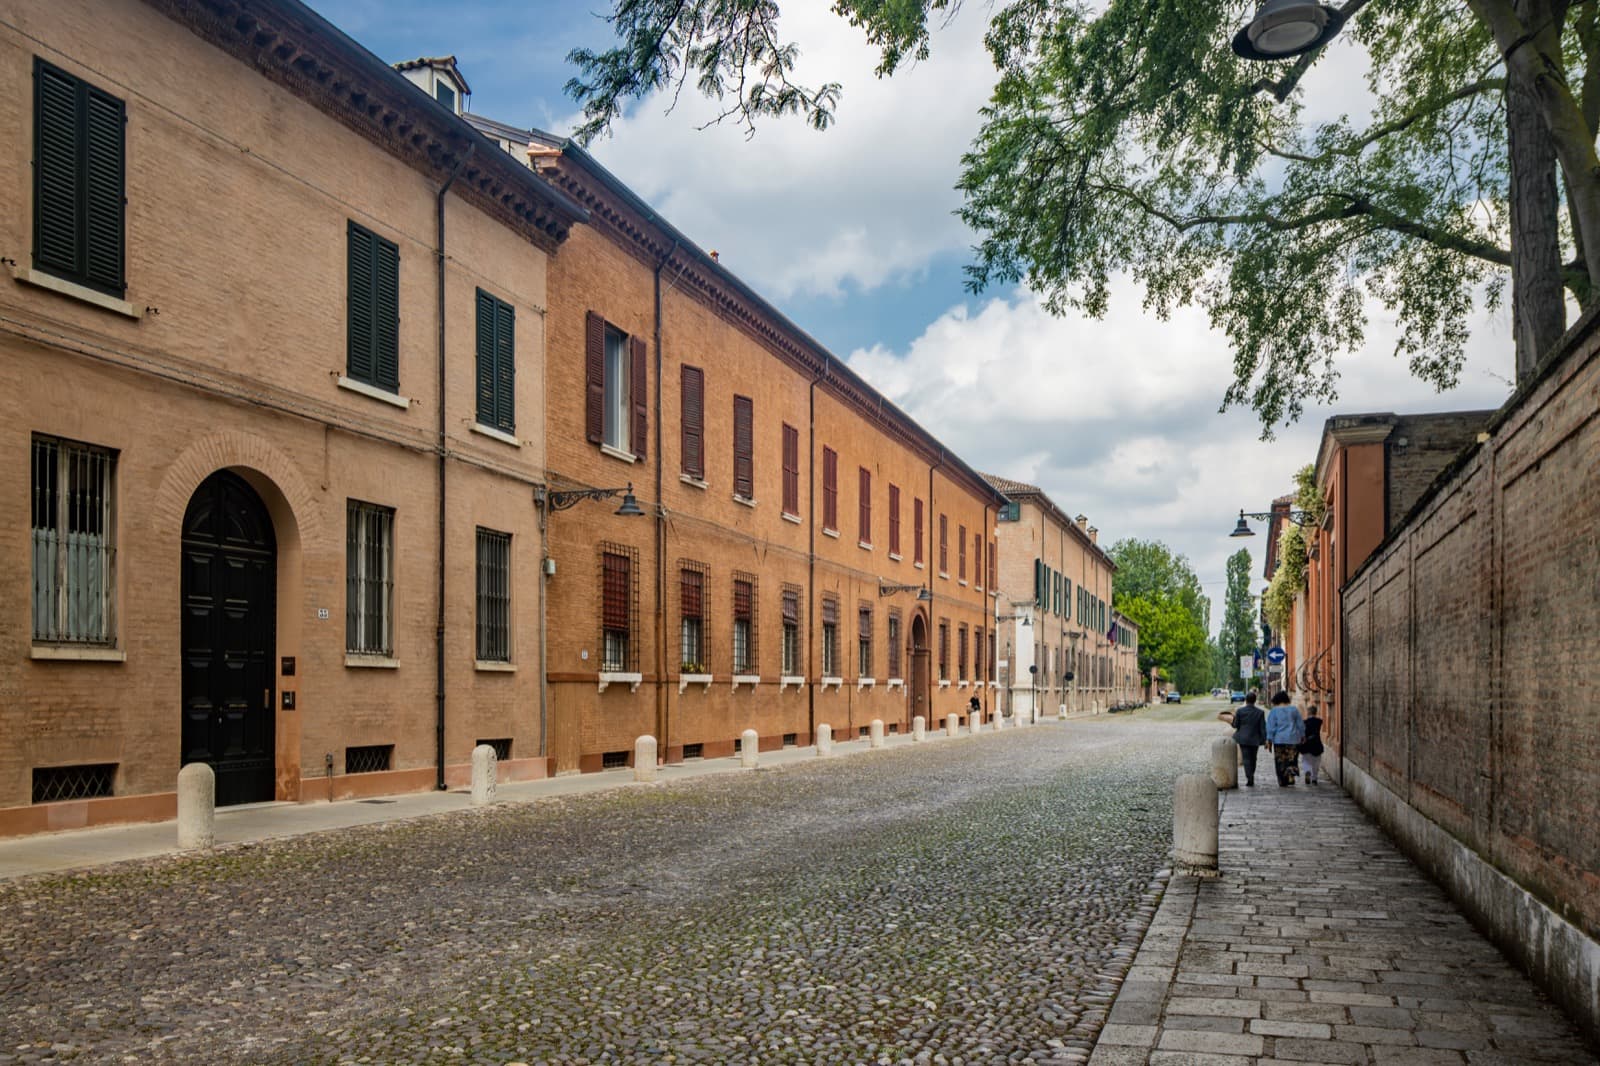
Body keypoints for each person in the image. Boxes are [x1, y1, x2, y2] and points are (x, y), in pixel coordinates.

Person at [1266, 691, 1305, 787]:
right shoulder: (1294, 710)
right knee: (1292, 759)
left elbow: (1271, 727)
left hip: (1279, 740)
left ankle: (1282, 780)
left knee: (1280, 760)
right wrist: (1303, 735)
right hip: (1293, 739)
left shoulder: (1274, 711)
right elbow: (1300, 724)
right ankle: (1291, 774)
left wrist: (1269, 740)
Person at [1230, 692, 1266, 787]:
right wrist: (1264, 739)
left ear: (1246, 700)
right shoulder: (1260, 712)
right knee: (1253, 758)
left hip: (1243, 738)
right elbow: (1262, 728)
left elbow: (1236, 725)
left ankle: (1249, 777)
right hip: (1255, 738)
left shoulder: (1240, 711)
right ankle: (1251, 775)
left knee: (1246, 758)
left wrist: (1231, 721)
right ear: (1255, 700)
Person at [1300, 704, 1325, 785]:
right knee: (1316, 763)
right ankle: (1314, 779)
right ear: (1316, 712)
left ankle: (1307, 771)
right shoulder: (1319, 721)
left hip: (1306, 744)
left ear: (1308, 712)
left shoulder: (1304, 722)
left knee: (1306, 760)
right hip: (1317, 744)